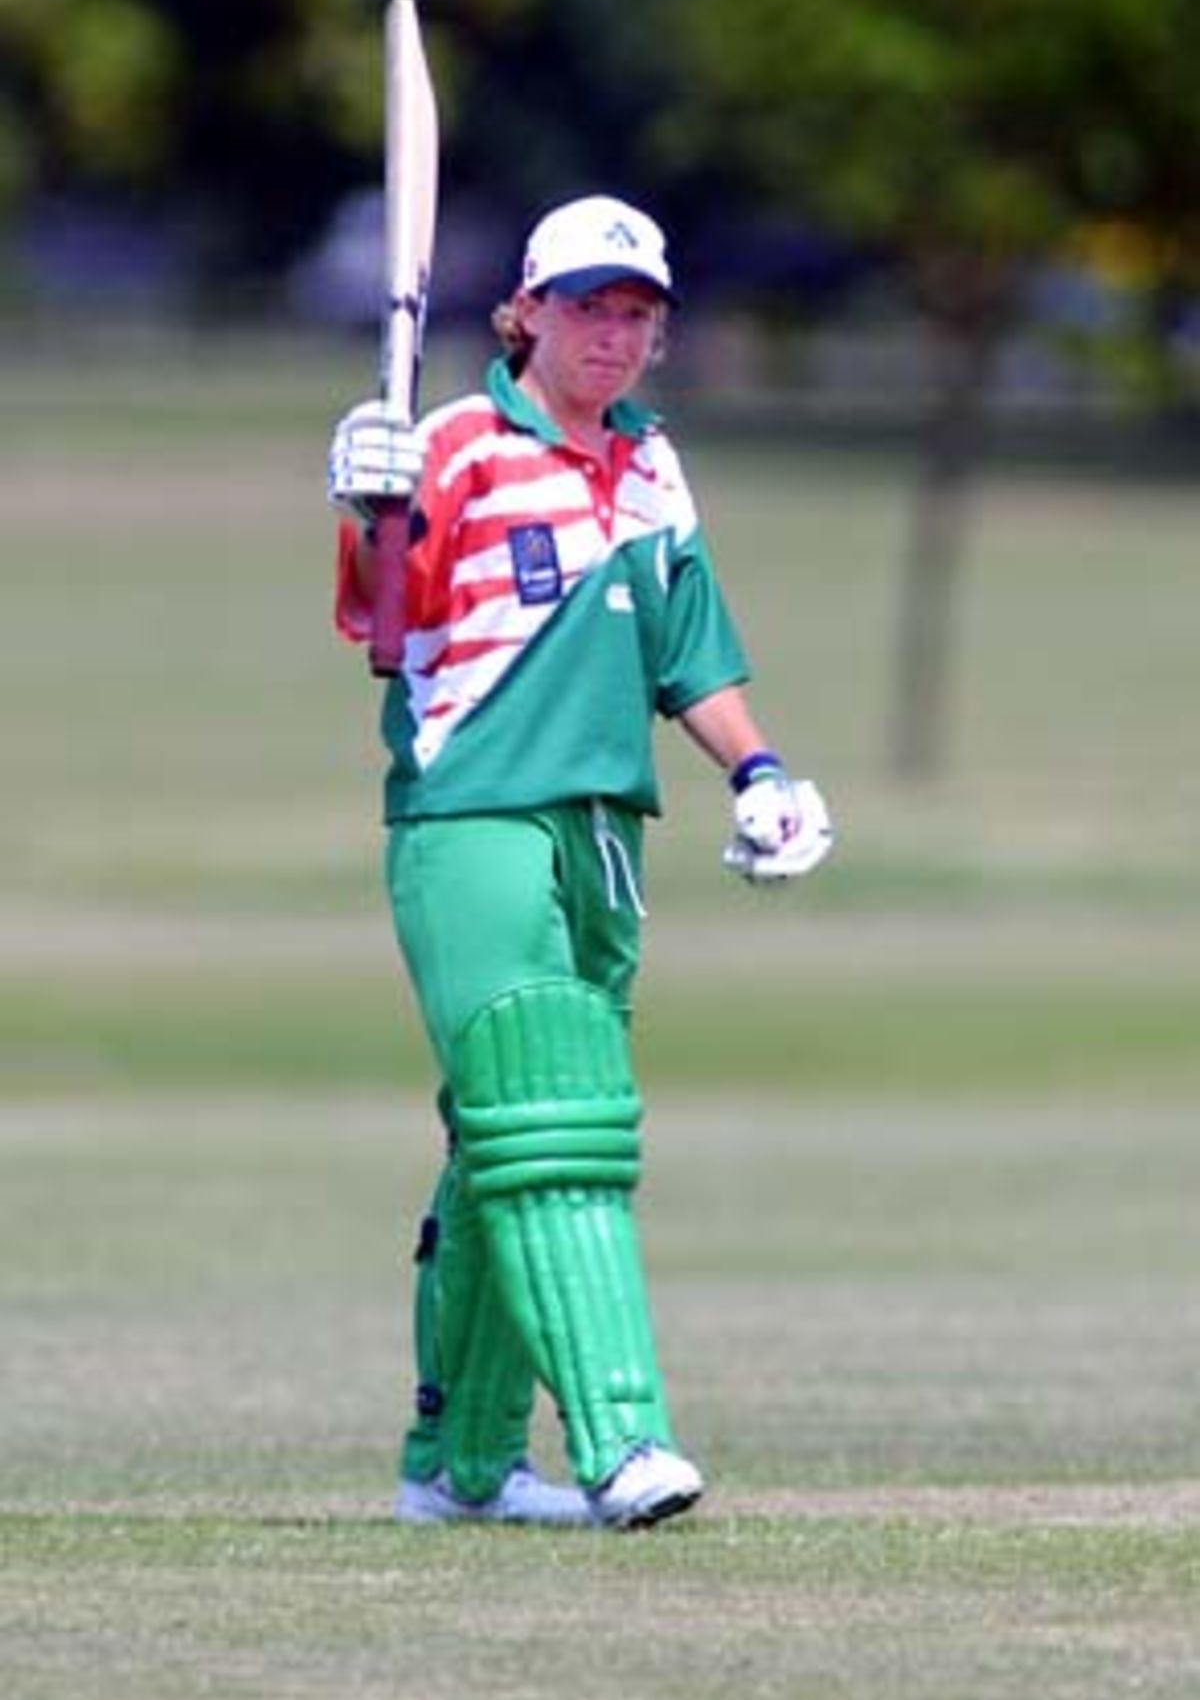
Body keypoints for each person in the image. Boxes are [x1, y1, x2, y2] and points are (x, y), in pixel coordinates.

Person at [327, 193, 833, 1529]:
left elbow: (689, 651)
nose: (613, 333)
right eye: (589, 306)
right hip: (475, 813)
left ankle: (464, 1468)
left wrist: (763, 770)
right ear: (528, 312)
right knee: (554, 1120)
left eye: (637, 313)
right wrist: (366, 497)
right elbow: (382, 617)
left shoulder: (653, 466)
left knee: (510, 1137)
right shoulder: (454, 445)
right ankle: (625, 1443)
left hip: (608, 825)